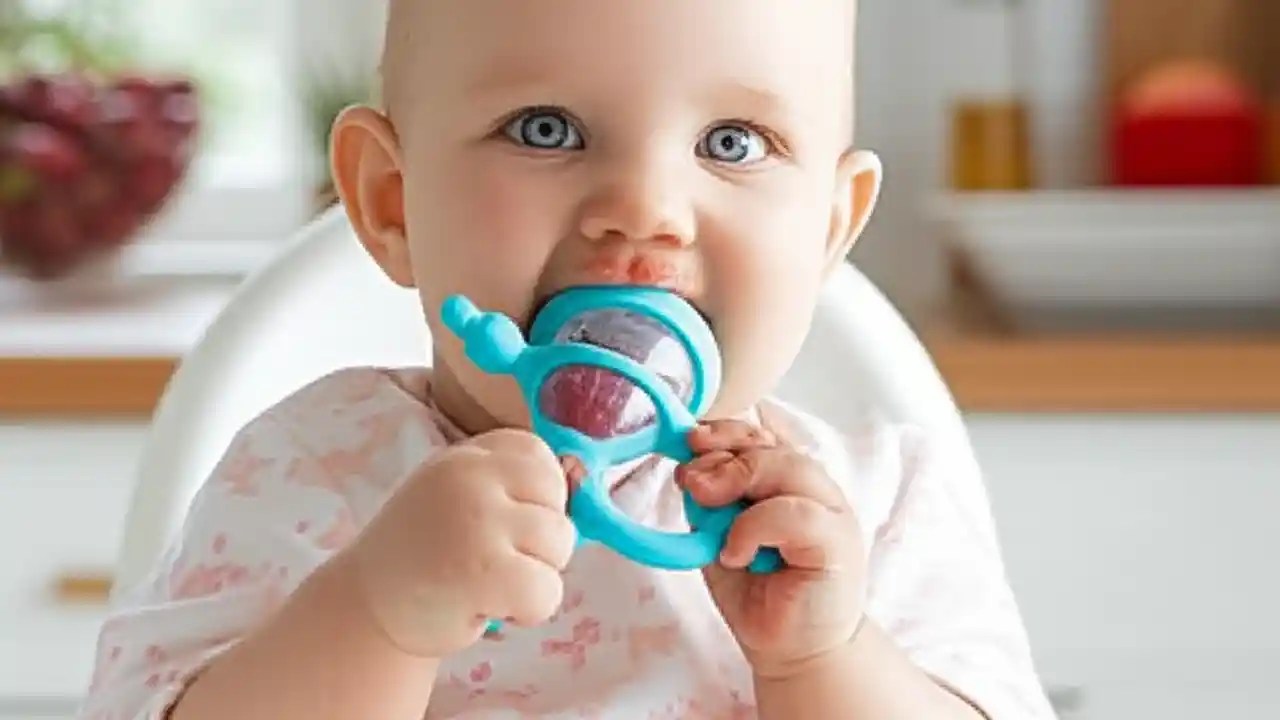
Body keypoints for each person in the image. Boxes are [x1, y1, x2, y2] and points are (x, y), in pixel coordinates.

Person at [80, 0, 1057, 717]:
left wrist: (823, 659)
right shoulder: (312, 472)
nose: (644, 207)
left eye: (731, 140)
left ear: (826, 235)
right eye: (546, 130)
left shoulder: (868, 507)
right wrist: (373, 612)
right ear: (389, 201)